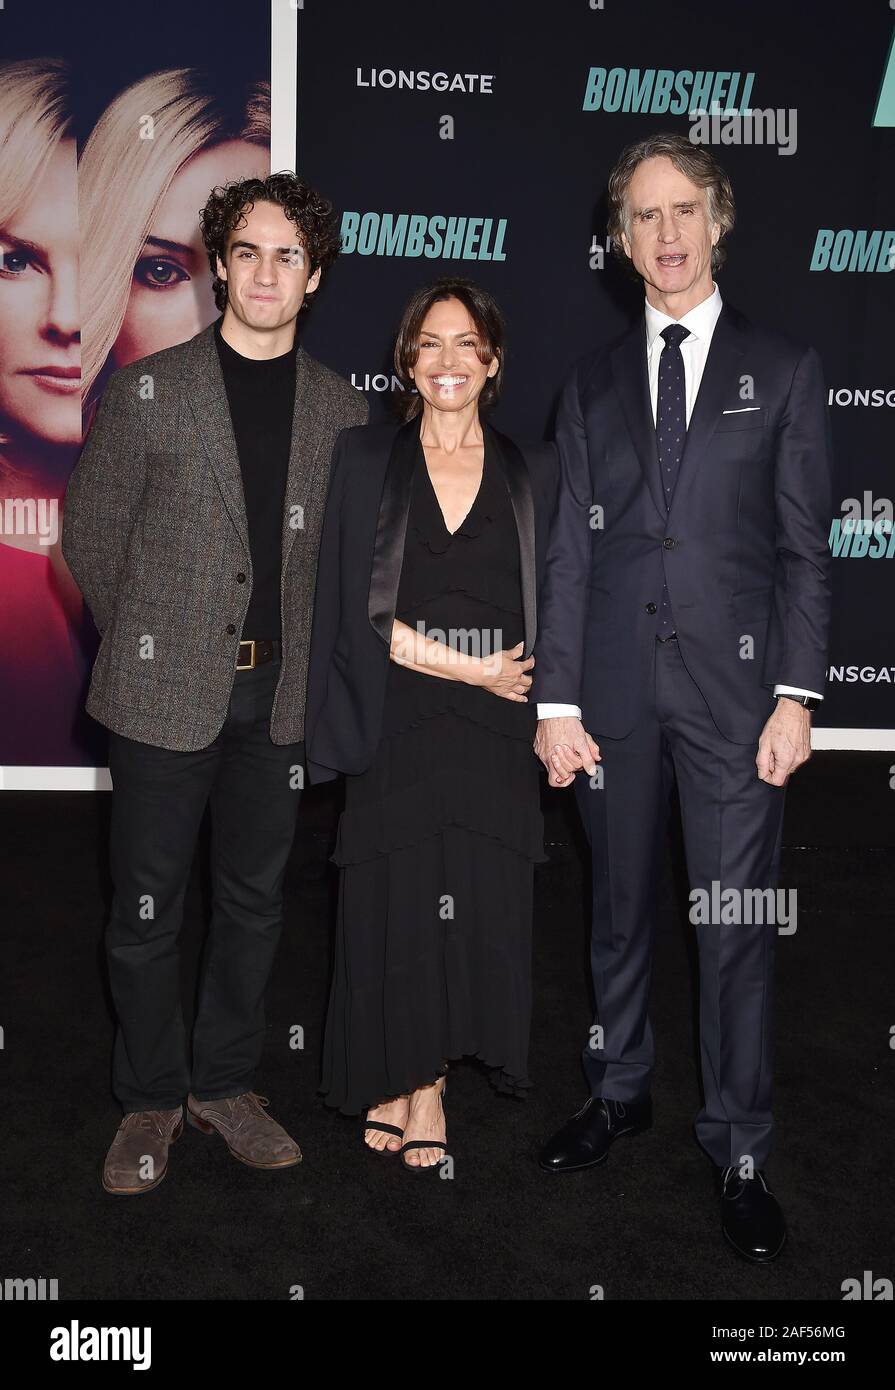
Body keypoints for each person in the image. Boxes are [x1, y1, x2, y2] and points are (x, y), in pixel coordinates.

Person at [532, 133, 833, 1261]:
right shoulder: (592, 383)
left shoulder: (787, 369)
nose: (665, 233)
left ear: (717, 222)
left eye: (684, 211)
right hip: (609, 694)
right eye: (644, 215)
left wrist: (796, 695)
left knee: (733, 930)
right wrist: (553, 700)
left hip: (738, 701)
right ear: (619, 240)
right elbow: (567, 555)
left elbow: (806, 551)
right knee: (613, 911)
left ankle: (740, 1144)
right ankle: (616, 1091)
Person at [62, 171, 368, 1193]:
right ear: (220, 265)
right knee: (145, 907)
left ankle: (224, 1082)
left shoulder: (343, 409)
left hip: (276, 704)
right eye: (248, 250)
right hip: (159, 696)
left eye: (289, 254)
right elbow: (92, 535)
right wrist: (151, 639)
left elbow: (347, 565)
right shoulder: (152, 387)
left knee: (251, 902)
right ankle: (150, 1097)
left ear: (313, 276)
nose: (266, 271)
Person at [305, 278, 557, 1169]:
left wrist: (550, 711)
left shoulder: (537, 469)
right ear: (405, 360)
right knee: (392, 899)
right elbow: (349, 610)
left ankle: (430, 1083)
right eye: (428, 344)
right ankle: (392, 1068)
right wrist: (472, 667)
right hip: (399, 711)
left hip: (495, 731)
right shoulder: (362, 459)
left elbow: (560, 604)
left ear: (491, 360)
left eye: (466, 344)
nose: (446, 361)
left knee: (468, 902)